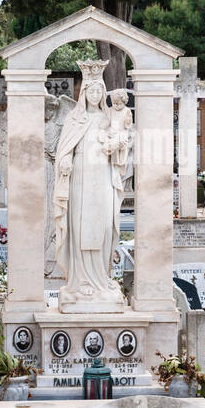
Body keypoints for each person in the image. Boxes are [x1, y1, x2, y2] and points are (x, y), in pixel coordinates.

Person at [52, 60, 132, 311]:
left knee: (104, 226)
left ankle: (102, 279)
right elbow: (64, 149)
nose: (96, 95)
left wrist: (120, 145)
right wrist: (65, 161)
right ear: (83, 93)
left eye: (99, 91)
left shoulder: (110, 120)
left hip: (104, 179)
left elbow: (122, 148)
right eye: (91, 90)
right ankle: (79, 282)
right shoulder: (75, 120)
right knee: (79, 228)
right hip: (80, 181)